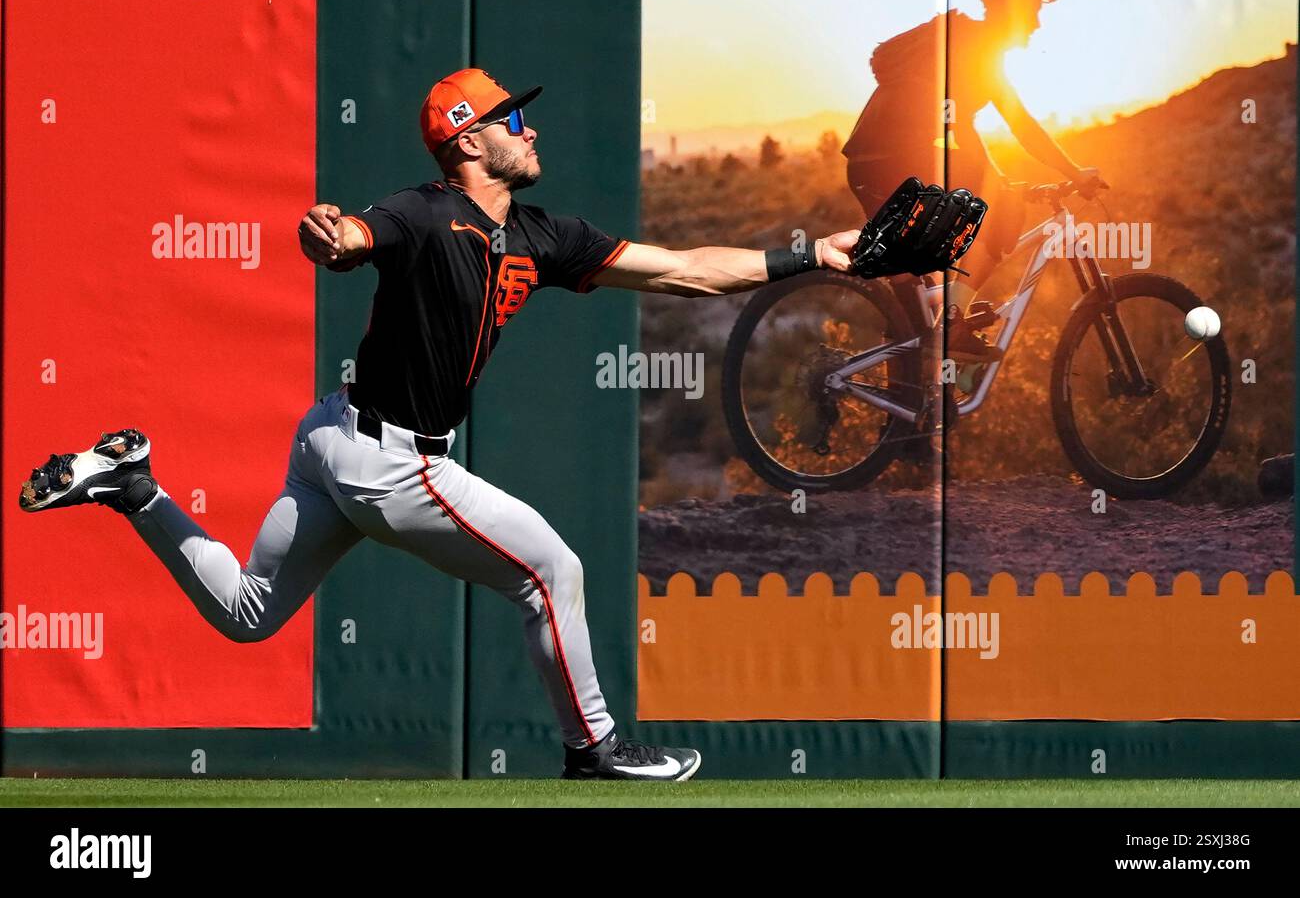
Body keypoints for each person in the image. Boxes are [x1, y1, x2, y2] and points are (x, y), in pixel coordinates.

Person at [18, 67, 872, 781]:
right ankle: (596, 747)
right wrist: (330, 236)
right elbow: (353, 237)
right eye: (512, 117)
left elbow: (686, 269)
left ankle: (133, 487)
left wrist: (811, 254)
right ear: (470, 141)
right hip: (387, 463)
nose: (529, 129)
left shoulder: (540, 233)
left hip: (330, 440)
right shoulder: (425, 212)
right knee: (551, 567)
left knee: (247, 612)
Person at [843, 0, 1106, 361]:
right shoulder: (977, 50)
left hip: (871, 161)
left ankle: (916, 390)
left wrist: (999, 182)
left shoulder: (968, 44)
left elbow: (963, 136)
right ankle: (952, 324)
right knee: (1000, 216)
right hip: (898, 159)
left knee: (918, 310)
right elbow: (1021, 128)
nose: (1036, 23)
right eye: (1034, 10)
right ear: (1014, 8)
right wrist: (1072, 173)